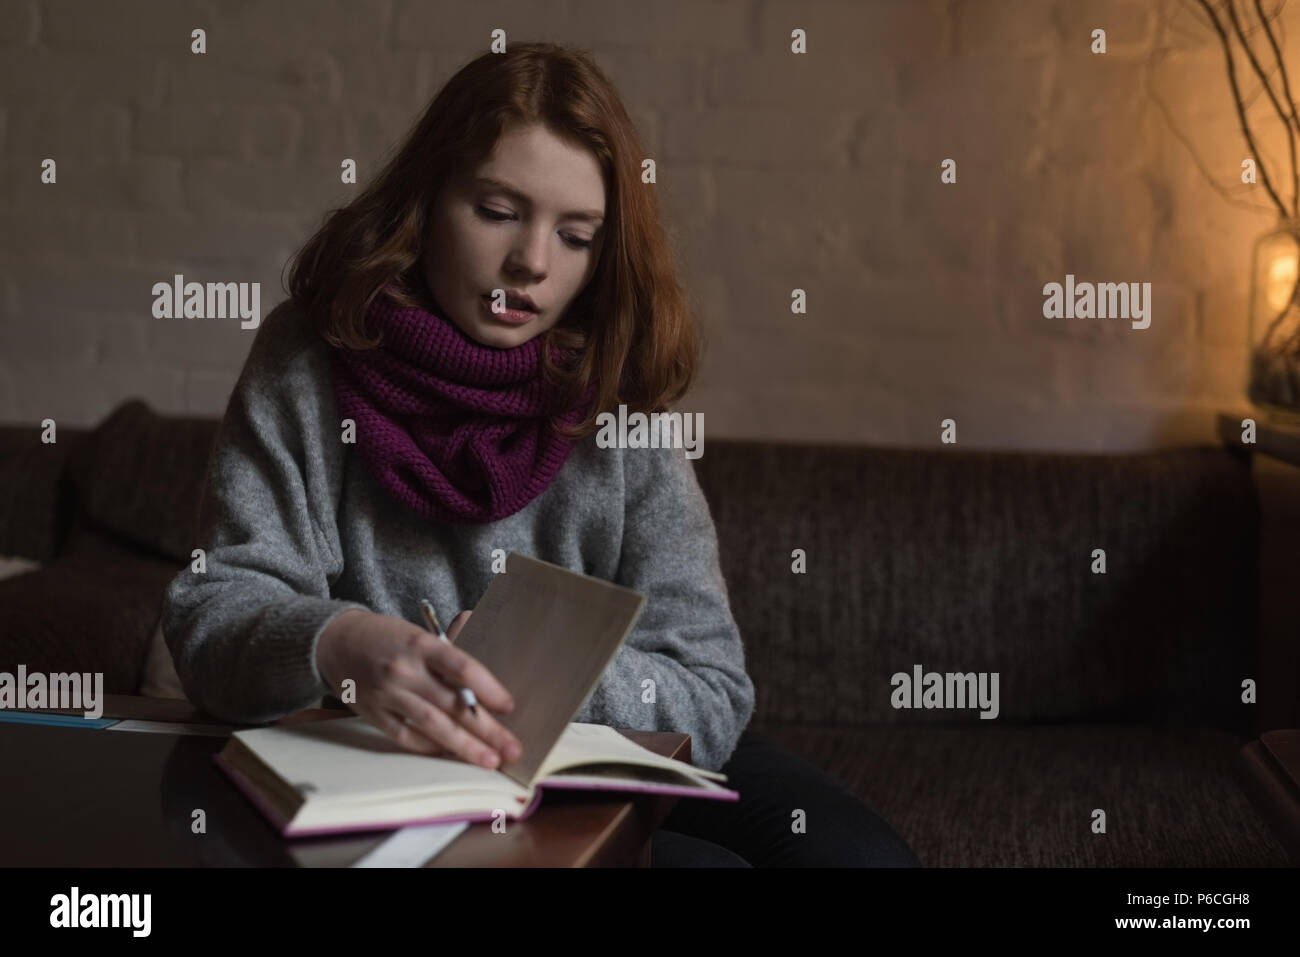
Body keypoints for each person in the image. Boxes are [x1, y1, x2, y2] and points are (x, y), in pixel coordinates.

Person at [162, 41, 917, 868]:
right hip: (388, 770)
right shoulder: (308, 358)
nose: (532, 262)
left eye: (577, 235)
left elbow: (711, 689)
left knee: (860, 857)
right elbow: (213, 612)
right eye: (496, 211)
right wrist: (342, 646)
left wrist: (540, 676)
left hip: (608, 751)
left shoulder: (615, 393)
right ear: (427, 201)